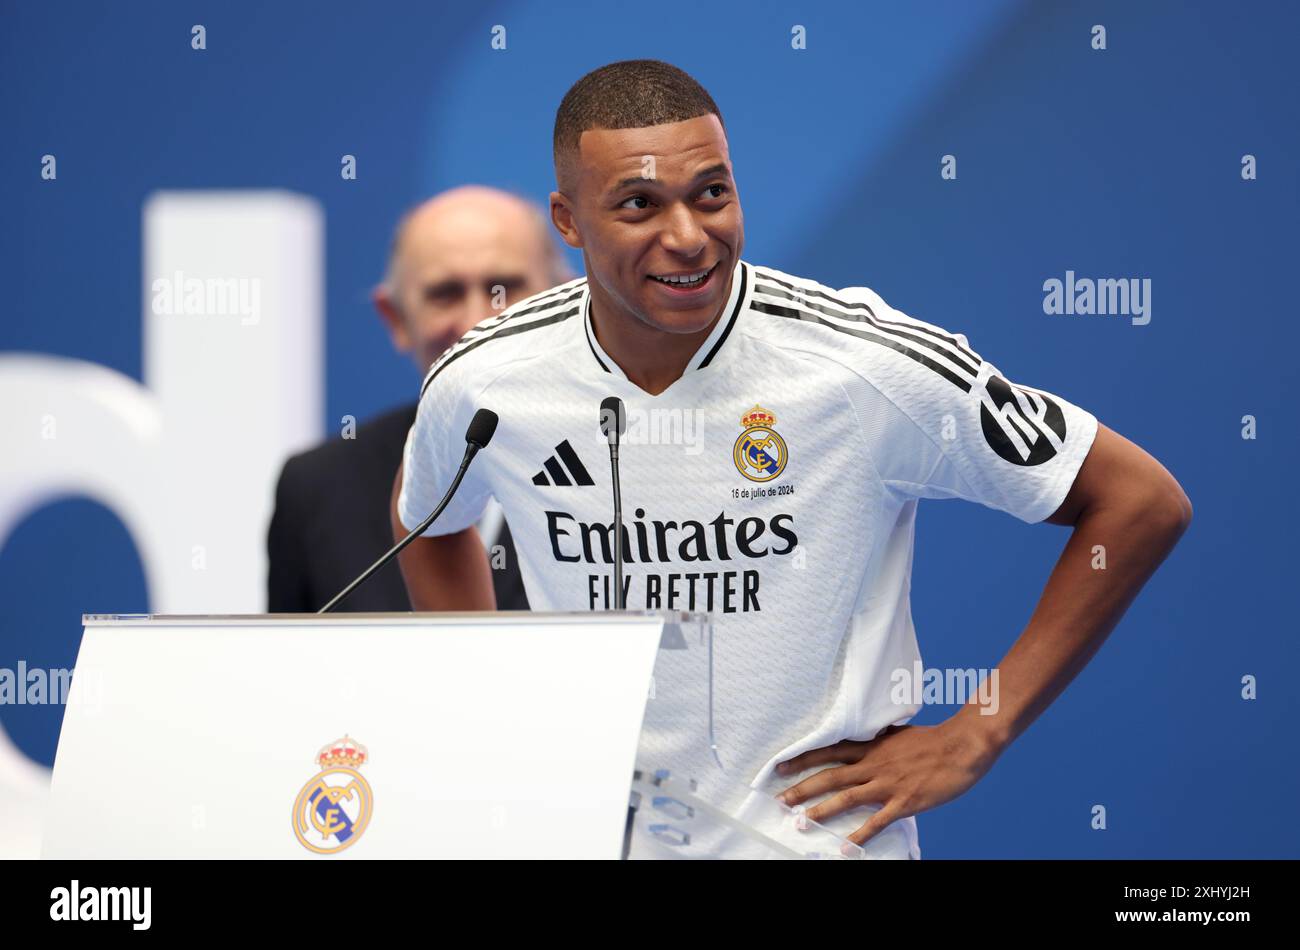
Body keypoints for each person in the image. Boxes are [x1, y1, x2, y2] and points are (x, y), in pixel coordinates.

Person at [390, 61, 1191, 857]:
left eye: (712, 193)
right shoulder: (486, 378)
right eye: (639, 204)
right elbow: (423, 518)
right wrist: (491, 705)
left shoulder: (859, 362)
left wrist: (976, 732)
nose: (688, 236)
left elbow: (1139, 500)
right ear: (568, 221)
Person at [268, 186, 570, 613]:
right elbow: (285, 670)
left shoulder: (626, 459)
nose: (476, 321)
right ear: (396, 318)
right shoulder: (319, 486)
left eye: (503, 288)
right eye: (445, 293)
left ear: (565, 302)